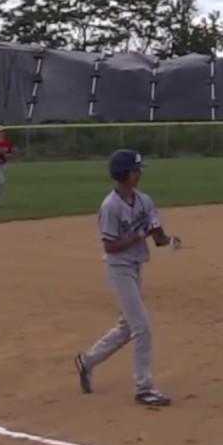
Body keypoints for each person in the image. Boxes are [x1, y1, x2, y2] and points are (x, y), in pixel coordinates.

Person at [73, 149, 182, 407]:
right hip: (118, 269)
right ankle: (144, 387)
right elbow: (110, 246)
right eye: (136, 170)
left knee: (127, 327)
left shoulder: (144, 201)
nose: (140, 173)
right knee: (141, 326)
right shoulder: (110, 207)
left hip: (136, 267)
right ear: (123, 174)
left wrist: (169, 240)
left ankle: (87, 361)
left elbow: (156, 235)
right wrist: (140, 235)